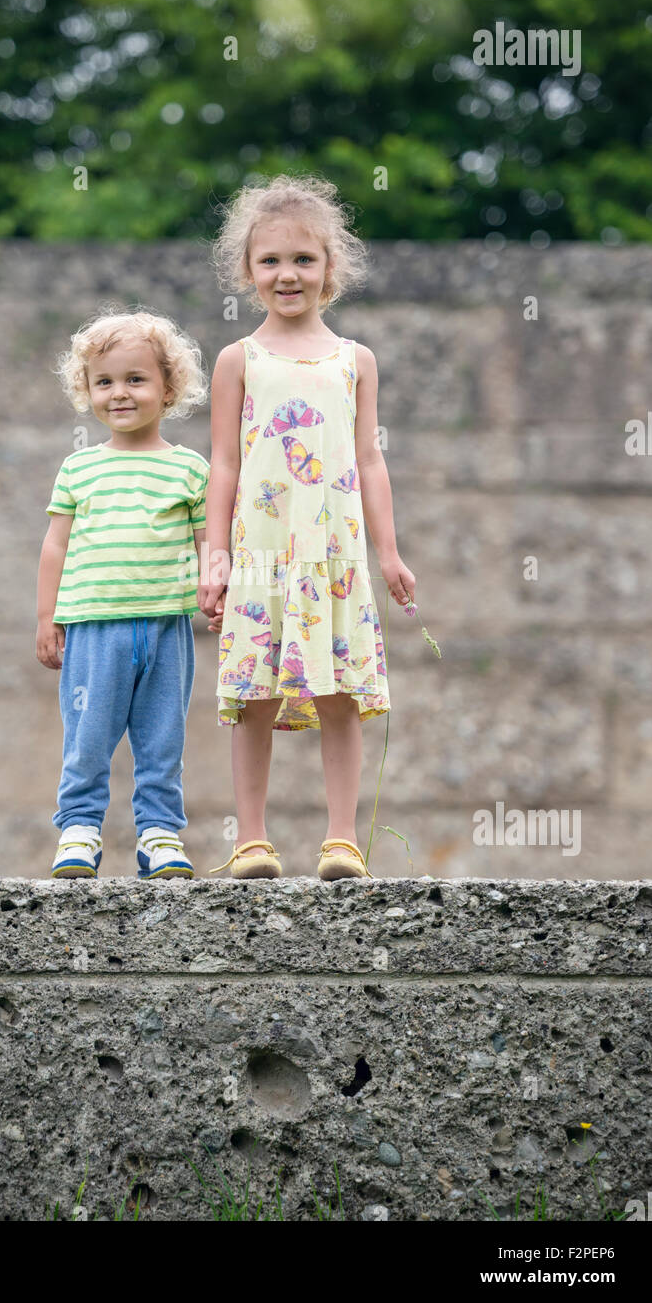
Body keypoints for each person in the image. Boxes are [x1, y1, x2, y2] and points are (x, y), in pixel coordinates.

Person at [199, 174, 415, 882]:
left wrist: (387, 553)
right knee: (254, 693)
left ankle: (342, 839)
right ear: (246, 271)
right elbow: (224, 464)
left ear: (330, 269)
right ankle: (251, 839)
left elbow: (368, 459)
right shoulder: (238, 360)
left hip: (334, 554)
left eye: (302, 260)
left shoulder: (354, 361)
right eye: (270, 261)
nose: (286, 274)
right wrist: (214, 556)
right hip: (260, 552)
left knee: (338, 693)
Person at [37, 307, 209, 880]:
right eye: (104, 381)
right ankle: (79, 831)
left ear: (168, 388)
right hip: (93, 626)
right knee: (88, 737)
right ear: (87, 391)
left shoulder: (190, 469)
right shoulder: (78, 469)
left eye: (136, 379)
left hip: (167, 627)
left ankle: (160, 834)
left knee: (163, 739)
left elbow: (210, 540)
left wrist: (220, 590)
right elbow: (55, 547)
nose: (120, 393)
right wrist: (46, 617)